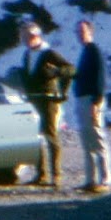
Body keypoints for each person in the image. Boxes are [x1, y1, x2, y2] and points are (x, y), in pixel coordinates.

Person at [21, 20, 73, 188]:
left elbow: (71, 69)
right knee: (37, 137)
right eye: (22, 36)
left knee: (50, 136)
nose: (24, 39)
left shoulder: (49, 53)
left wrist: (59, 81)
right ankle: (41, 174)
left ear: (36, 36)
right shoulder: (27, 54)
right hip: (33, 100)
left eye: (26, 36)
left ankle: (56, 175)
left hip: (48, 100)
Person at [71, 20, 111, 193]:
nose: (80, 34)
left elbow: (101, 80)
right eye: (78, 31)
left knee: (97, 139)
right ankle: (91, 180)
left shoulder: (95, 51)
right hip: (82, 100)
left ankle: (105, 179)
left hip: (91, 101)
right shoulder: (85, 52)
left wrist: (96, 103)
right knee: (87, 142)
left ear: (90, 32)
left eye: (83, 31)